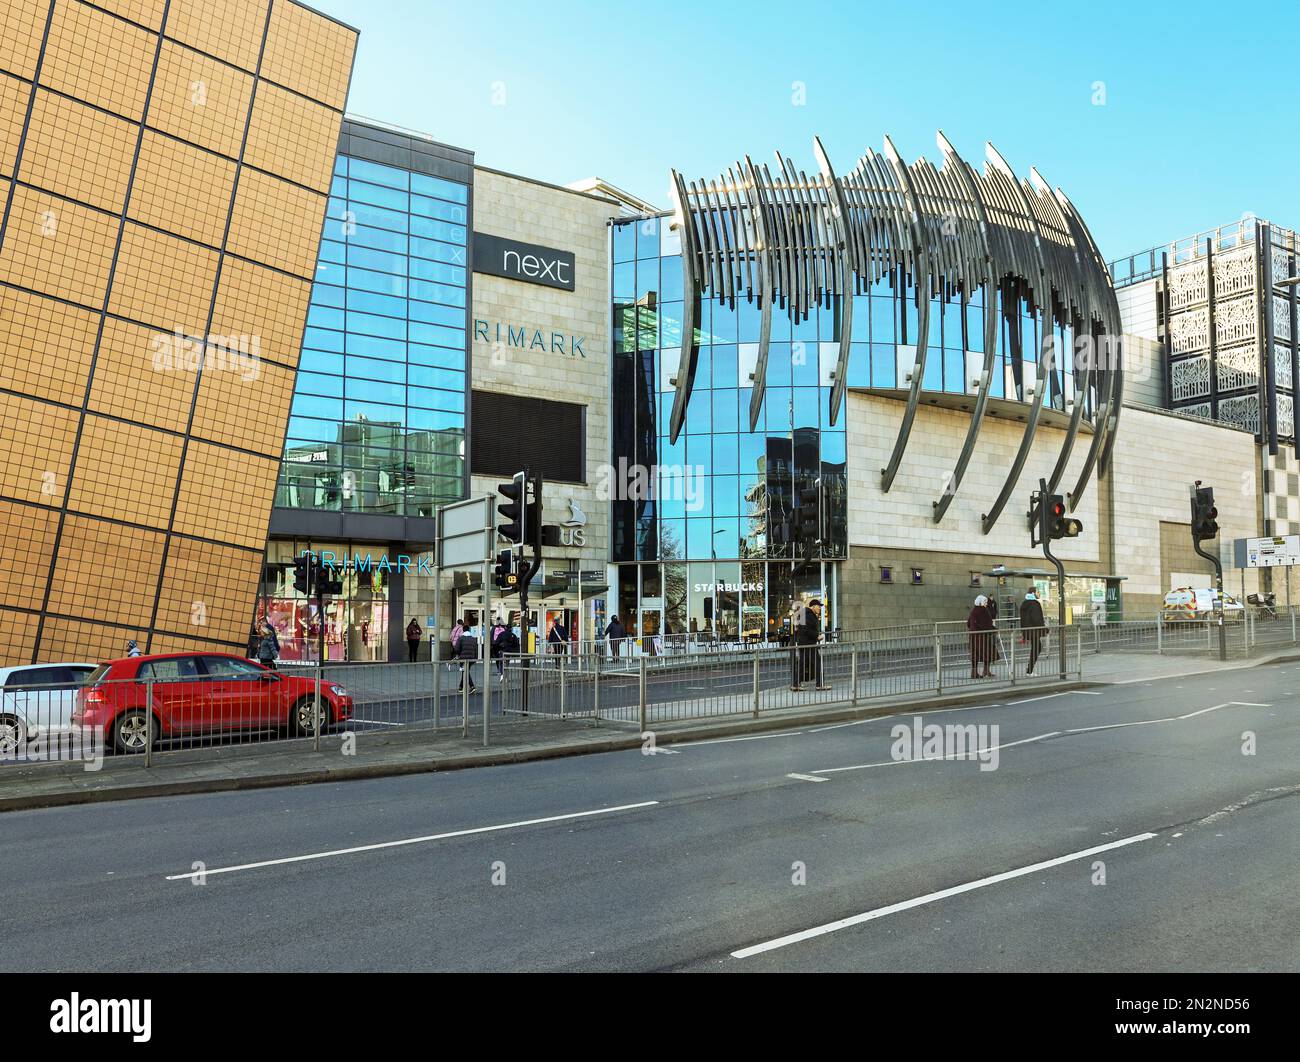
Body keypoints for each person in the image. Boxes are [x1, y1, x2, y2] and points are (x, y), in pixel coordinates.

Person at [967, 595, 999, 678]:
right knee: (988, 652)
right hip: (982, 636)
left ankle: (974, 672)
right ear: (980, 602)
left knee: (975, 654)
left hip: (973, 636)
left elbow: (968, 623)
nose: (986, 603)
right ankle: (986, 671)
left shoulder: (973, 610)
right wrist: (994, 629)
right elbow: (986, 624)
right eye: (984, 602)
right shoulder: (983, 610)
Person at [1018, 590, 1046, 675]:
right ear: (1033, 593)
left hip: (1028, 630)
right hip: (1034, 630)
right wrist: (1044, 628)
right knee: (1037, 648)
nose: (1039, 594)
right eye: (1037, 592)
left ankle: (1029, 669)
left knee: (1036, 648)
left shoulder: (1024, 603)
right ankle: (1029, 670)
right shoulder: (1034, 604)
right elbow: (1037, 618)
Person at [452, 615, 478, 694]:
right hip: (471, 658)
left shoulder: (461, 638)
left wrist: (459, 655)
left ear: (463, 630)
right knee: (465, 671)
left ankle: (472, 686)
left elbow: (456, 649)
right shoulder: (473, 638)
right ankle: (461, 687)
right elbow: (475, 649)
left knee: (465, 671)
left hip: (463, 658)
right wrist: (475, 658)